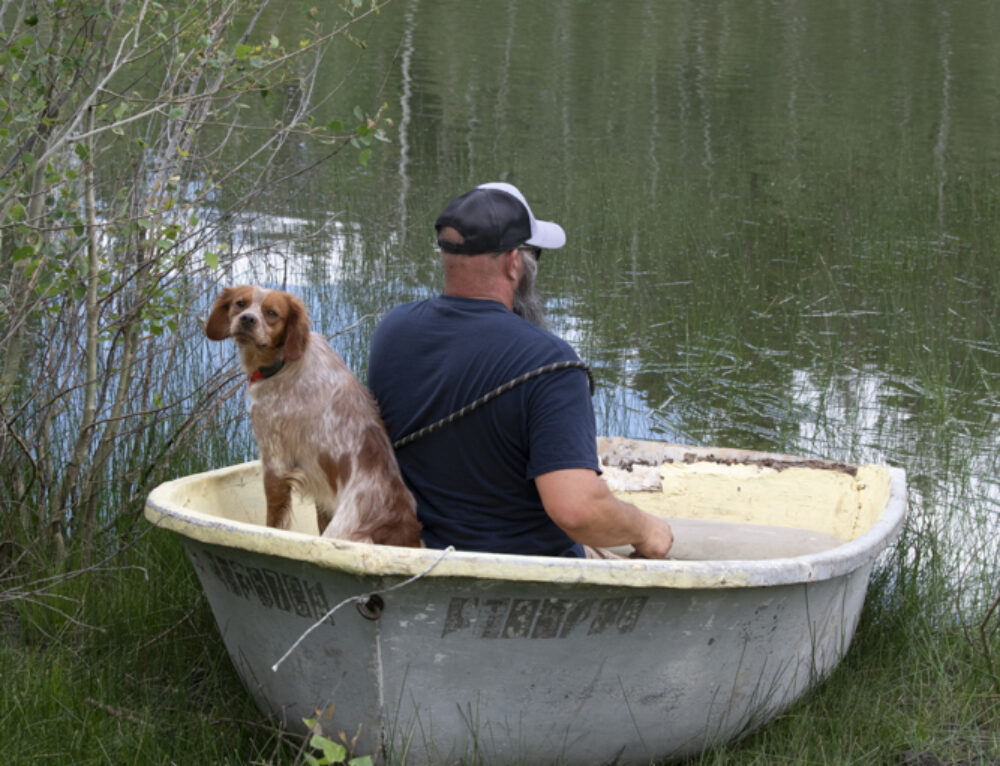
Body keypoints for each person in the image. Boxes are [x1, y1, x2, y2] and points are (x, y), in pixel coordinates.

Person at [367, 182, 673, 559]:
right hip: (528, 581)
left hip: (420, 558)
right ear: (514, 263)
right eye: (535, 256)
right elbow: (577, 510)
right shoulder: (552, 362)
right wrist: (646, 530)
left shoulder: (392, 331)